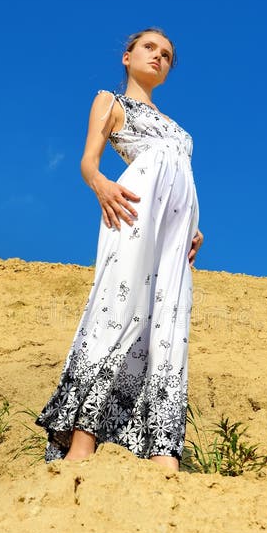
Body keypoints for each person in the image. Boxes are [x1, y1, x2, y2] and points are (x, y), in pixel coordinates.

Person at [35, 27, 204, 472]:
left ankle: (163, 451)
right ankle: (82, 443)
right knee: (119, 305)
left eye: (167, 54)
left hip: (174, 231)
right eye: (150, 48)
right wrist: (102, 185)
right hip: (131, 210)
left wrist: (194, 226)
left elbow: (179, 176)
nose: (159, 57)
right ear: (127, 56)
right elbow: (89, 161)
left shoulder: (179, 130)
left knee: (169, 320)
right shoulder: (110, 101)